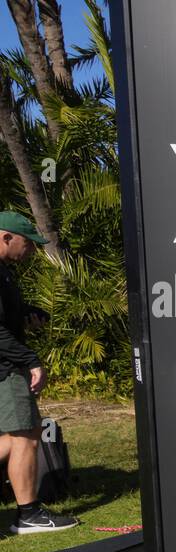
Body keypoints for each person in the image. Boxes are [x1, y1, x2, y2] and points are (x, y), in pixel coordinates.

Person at [0, 211, 77, 534]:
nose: (30, 251)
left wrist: (28, 312)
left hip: (6, 363)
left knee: (13, 436)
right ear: (6, 238)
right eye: (27, 244)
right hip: (7, 367)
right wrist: (31, 360)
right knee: (26, 435)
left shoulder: (4, 271)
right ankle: (29, 515)